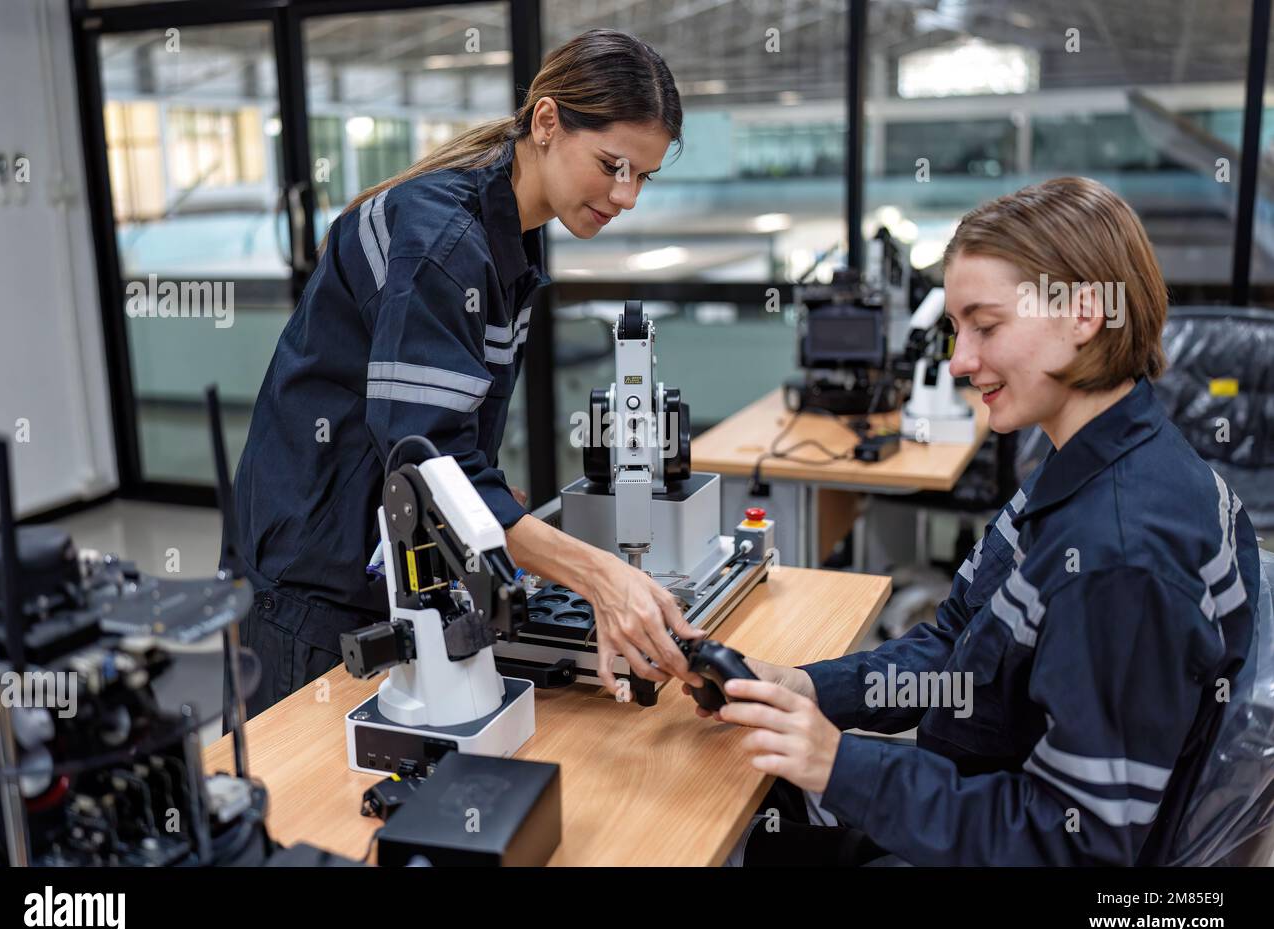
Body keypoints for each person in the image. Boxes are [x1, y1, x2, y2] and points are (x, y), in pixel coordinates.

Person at [690, 177, 1261, 866]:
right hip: (981, 792)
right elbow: (956, 650)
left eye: (986, 327)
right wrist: (810, 688)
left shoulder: (1119, 554)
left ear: (1083, 316)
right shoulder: (1084, 464)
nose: (960, 362)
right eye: (958, 330)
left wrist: (839, 765)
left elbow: (1076, 843)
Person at [229, 29, 704, 719]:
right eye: (613, 165)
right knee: (305, 805)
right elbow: (427, 464)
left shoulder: (510, 225)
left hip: (377, 551)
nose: (626, 196)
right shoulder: (445, 241)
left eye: (643, 176)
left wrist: (490, 503)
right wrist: (602, 577)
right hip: (312, 582)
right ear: (547, 122)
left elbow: (443, 438)